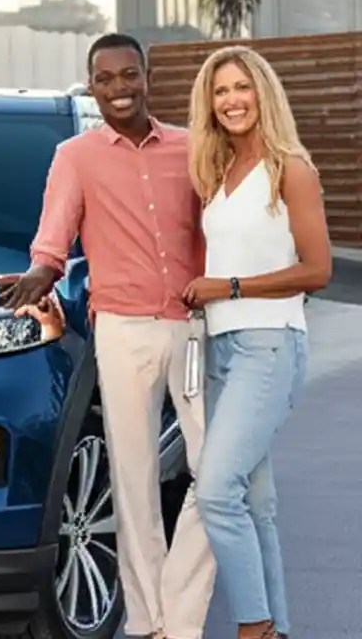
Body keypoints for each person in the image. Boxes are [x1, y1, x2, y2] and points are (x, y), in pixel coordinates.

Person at [0, 33, 216, 639]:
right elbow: (53, 242)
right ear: (90, 85)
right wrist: (38, 276)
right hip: (121, 331)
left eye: (128, 75)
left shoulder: (191, 149)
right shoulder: (76, 156)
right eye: (105, 78)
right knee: (135, 480)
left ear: (147, 77)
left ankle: (182, 601)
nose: (119, 88)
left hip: (193, 327)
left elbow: (222, 227)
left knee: (218, 472)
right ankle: (152, 623)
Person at [182, 46, 331, 639]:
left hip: (270, 344)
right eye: (221, 91)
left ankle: (254, 626)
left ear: (262, 93)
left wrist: (231, 285)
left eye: (242, 87)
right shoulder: (218, 174)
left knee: (217, 492)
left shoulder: (289, 168)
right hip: (221, 348)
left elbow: (317, 269)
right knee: (256, 505)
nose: (232, 100)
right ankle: (279, 630)